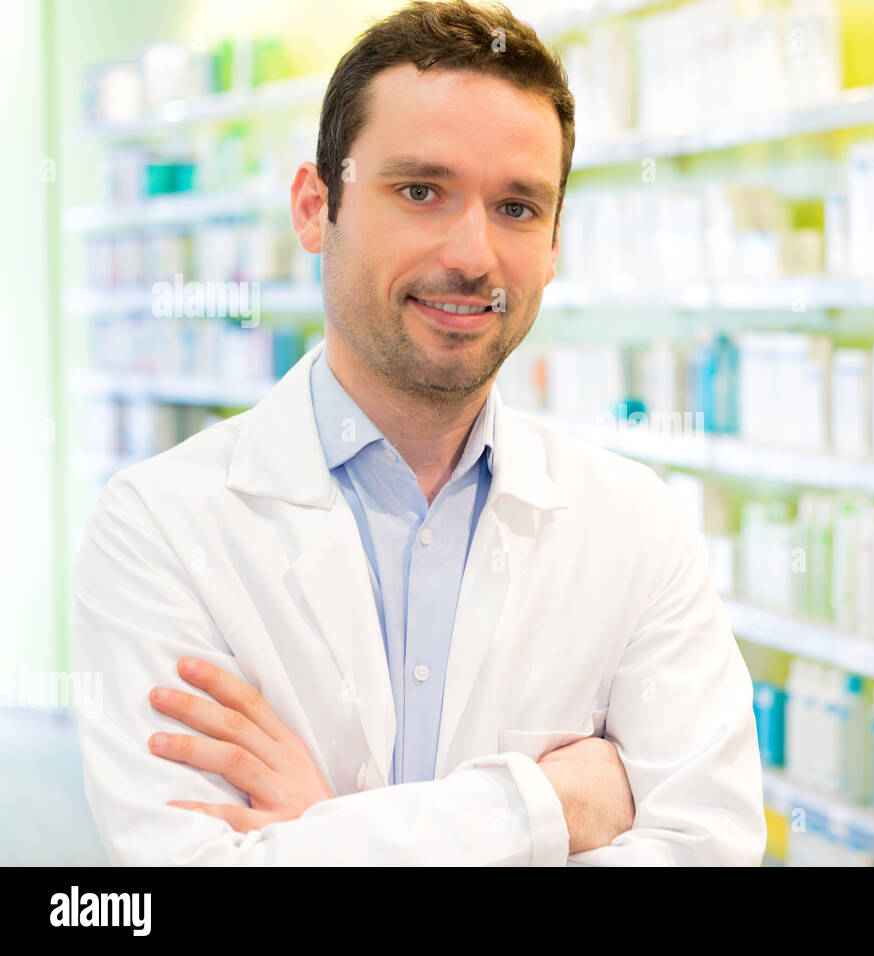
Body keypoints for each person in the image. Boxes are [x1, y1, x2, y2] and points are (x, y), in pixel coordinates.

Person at [71, 0, 765, 865]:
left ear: (554, 243)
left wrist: (328, 832)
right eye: (420, 191)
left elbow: (710, 846)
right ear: (314, 208)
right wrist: (543, 808)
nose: (473, 254)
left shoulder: (636, 526)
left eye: (517, 207)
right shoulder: (159, 528)